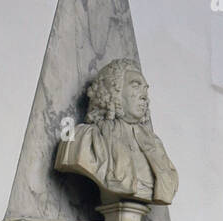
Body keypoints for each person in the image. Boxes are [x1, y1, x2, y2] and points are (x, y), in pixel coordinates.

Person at [54, 58, 179, 205]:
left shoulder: (156, 146)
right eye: (136, 86)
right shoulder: (84, 138)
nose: (144, 96)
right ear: (114, 90)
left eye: (145, 89)